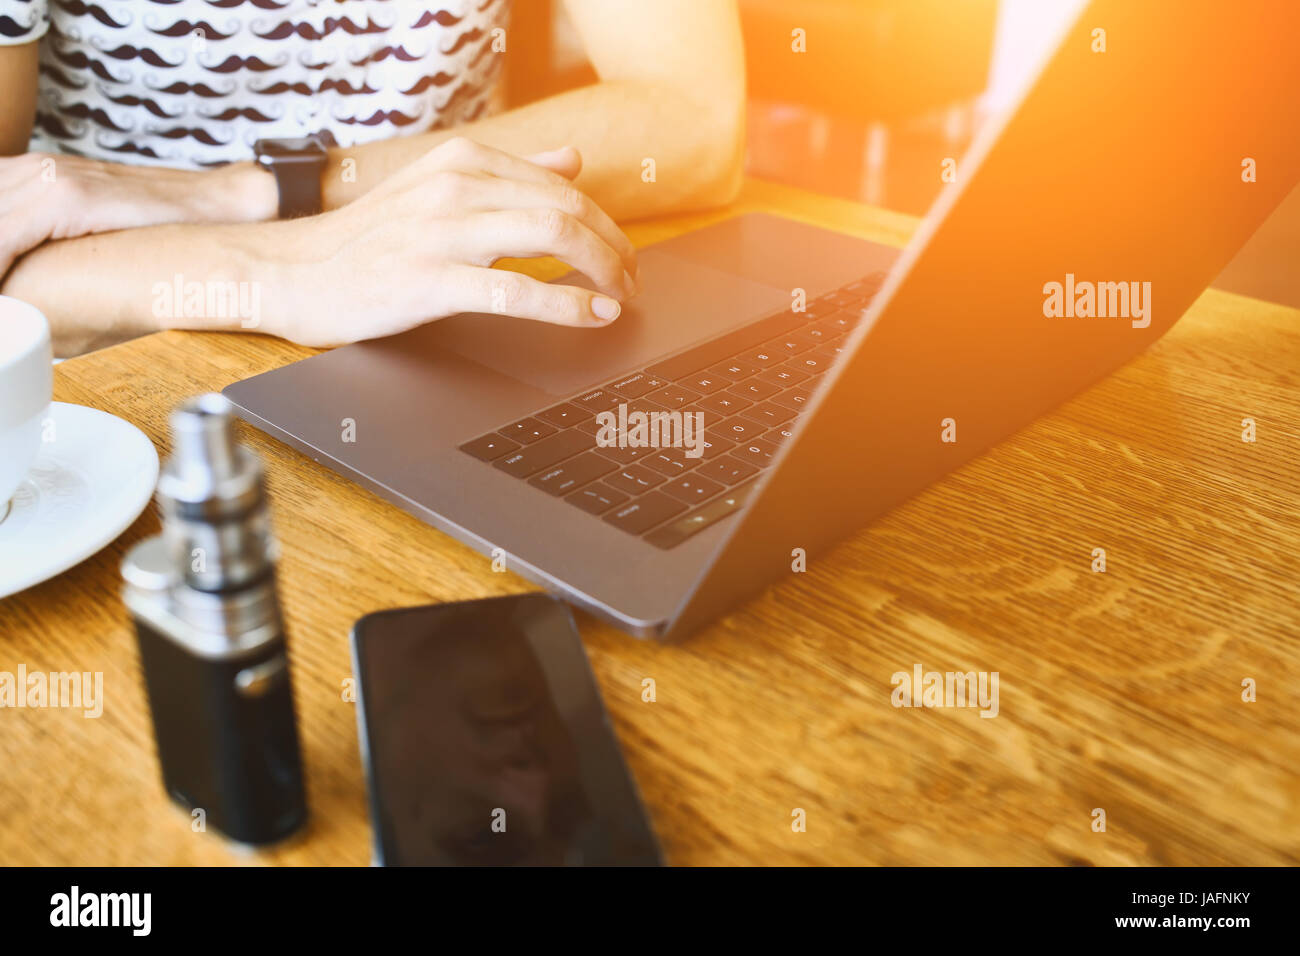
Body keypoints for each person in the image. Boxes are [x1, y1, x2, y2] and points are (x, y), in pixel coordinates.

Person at [0, 0, 745, 356]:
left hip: (449, 324)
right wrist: (283, 271)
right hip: (113, 362)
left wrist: (249, 190)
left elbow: (695, 124)